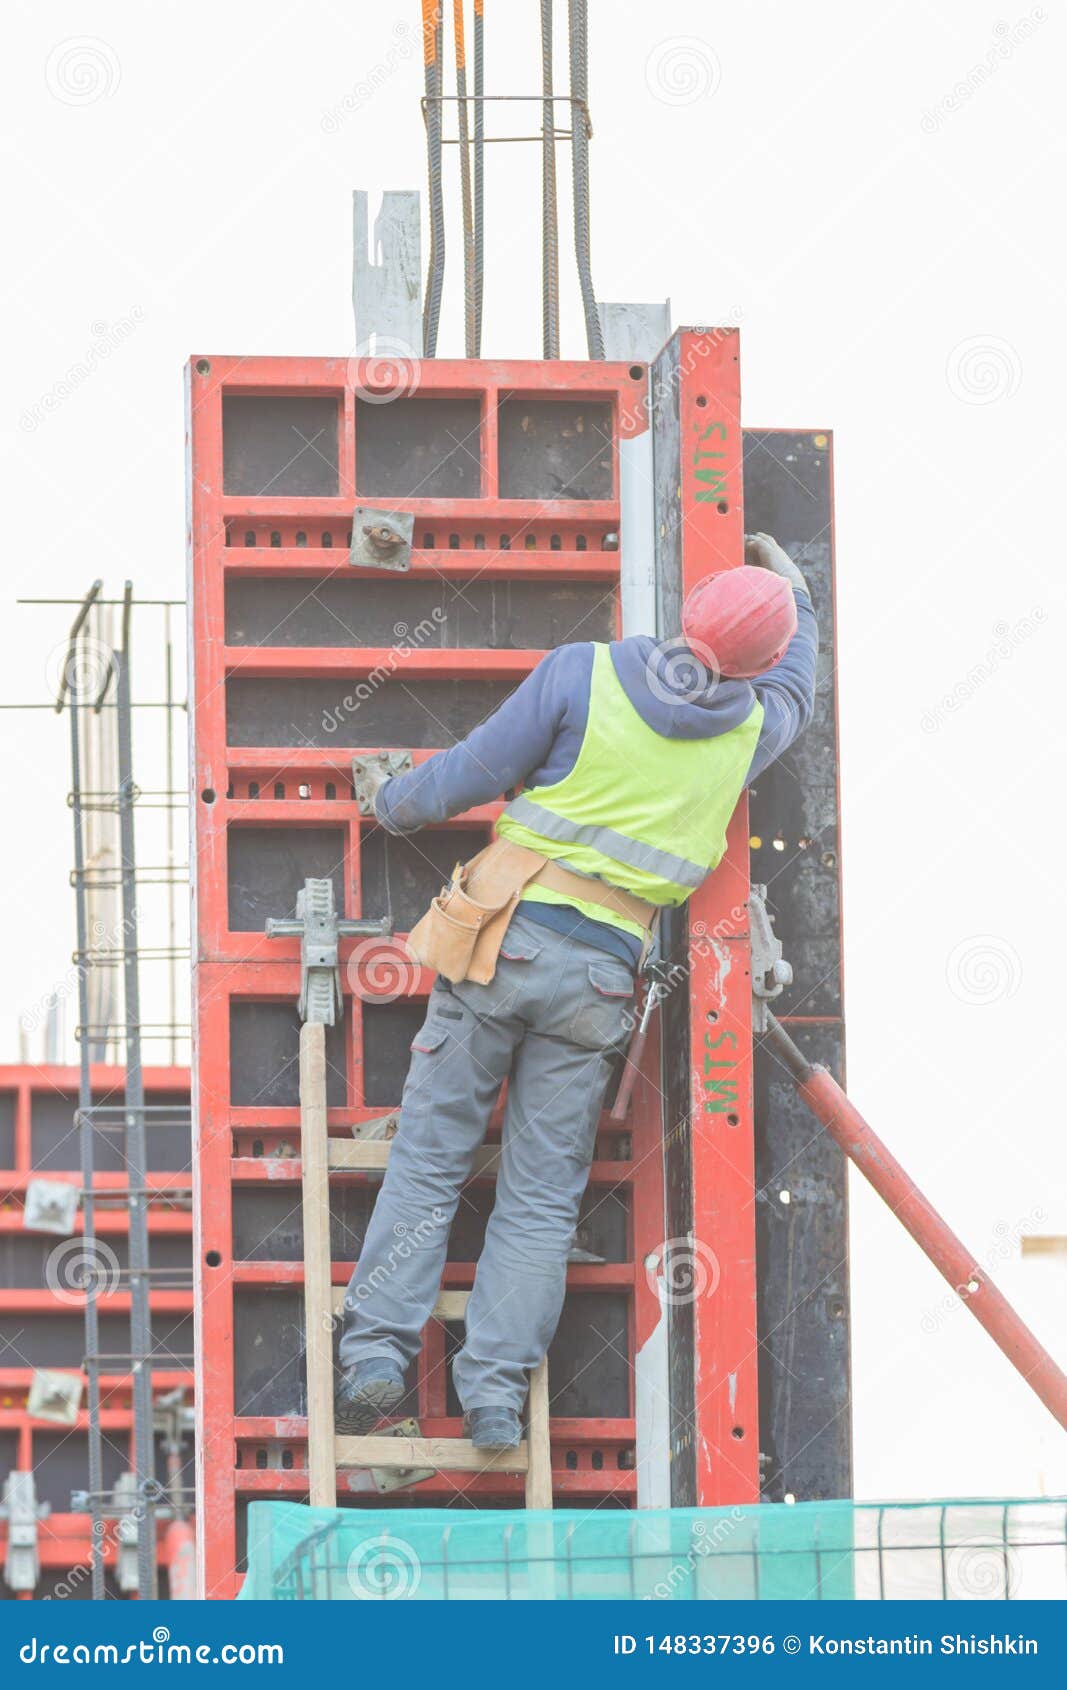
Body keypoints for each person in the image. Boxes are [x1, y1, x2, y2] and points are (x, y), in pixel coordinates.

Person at [335, 533, 818, 1449]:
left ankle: (375, 1358)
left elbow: (467, 776)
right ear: (761, 663)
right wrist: (797, 602)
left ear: (688, 610)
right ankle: (492, 1398)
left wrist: (389, 804)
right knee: (541, 1192)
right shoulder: (755, 728)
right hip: (603, 976)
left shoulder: (581, 674)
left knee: (432, 1156)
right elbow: (797, 682)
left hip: (502, 938)